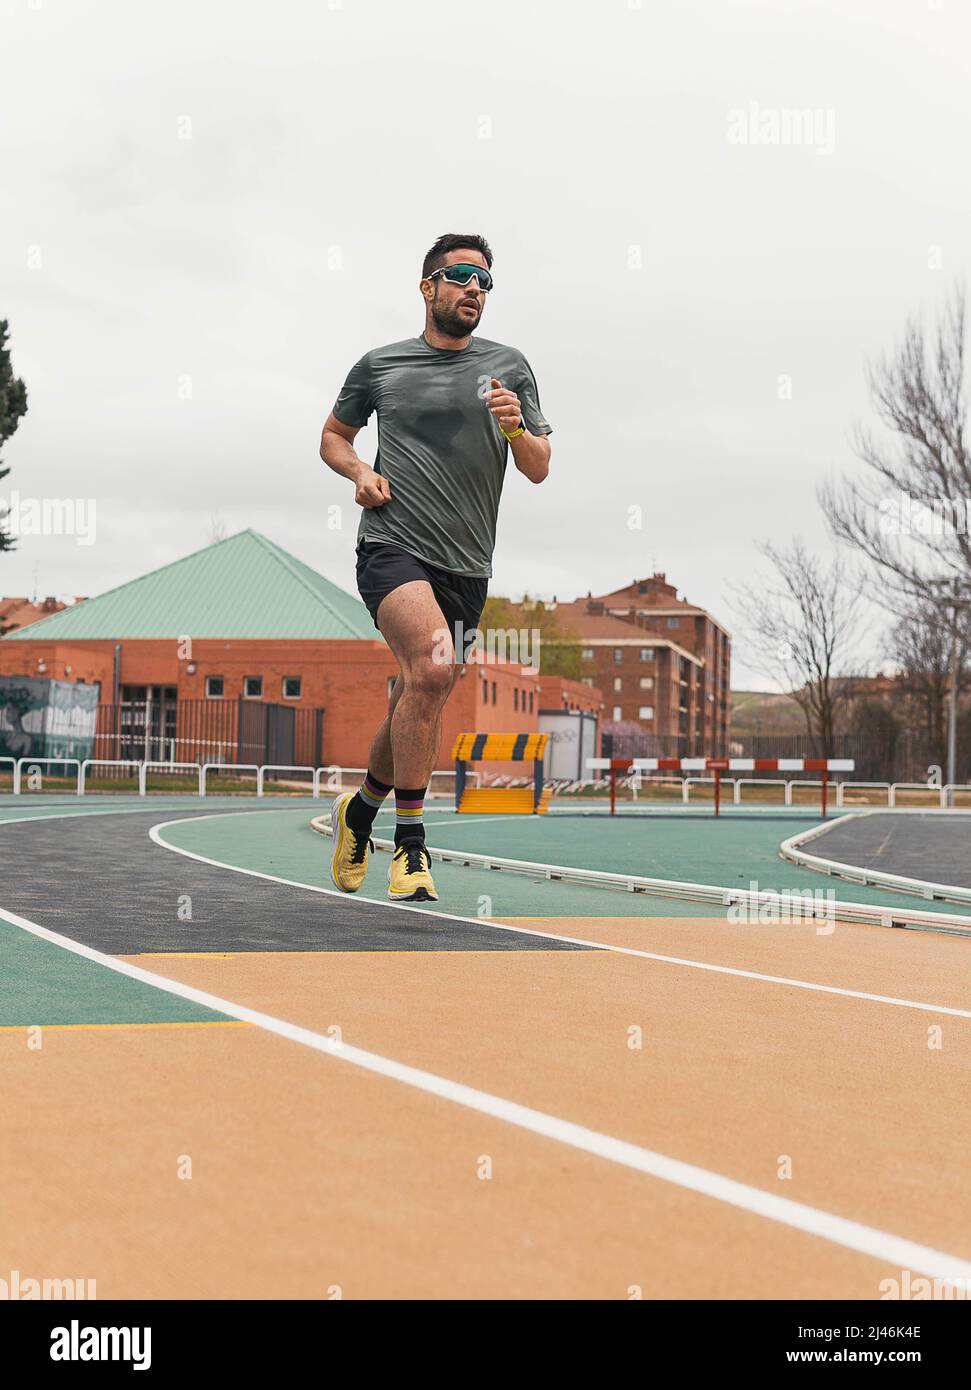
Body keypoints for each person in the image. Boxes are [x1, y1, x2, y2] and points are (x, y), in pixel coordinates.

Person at [319, 233, 552, 902]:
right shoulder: (382, 365)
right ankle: (412, 846)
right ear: (428, 288)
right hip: (391, 546)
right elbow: (333, 436)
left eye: (483, 281)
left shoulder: (508, 367)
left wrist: (514, 427)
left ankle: (358, 811)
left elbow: (537, 467)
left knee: (416, 695)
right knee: (432, 666)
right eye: (458, 276)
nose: (472, 289)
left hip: (467, 565)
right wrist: (360, 471)